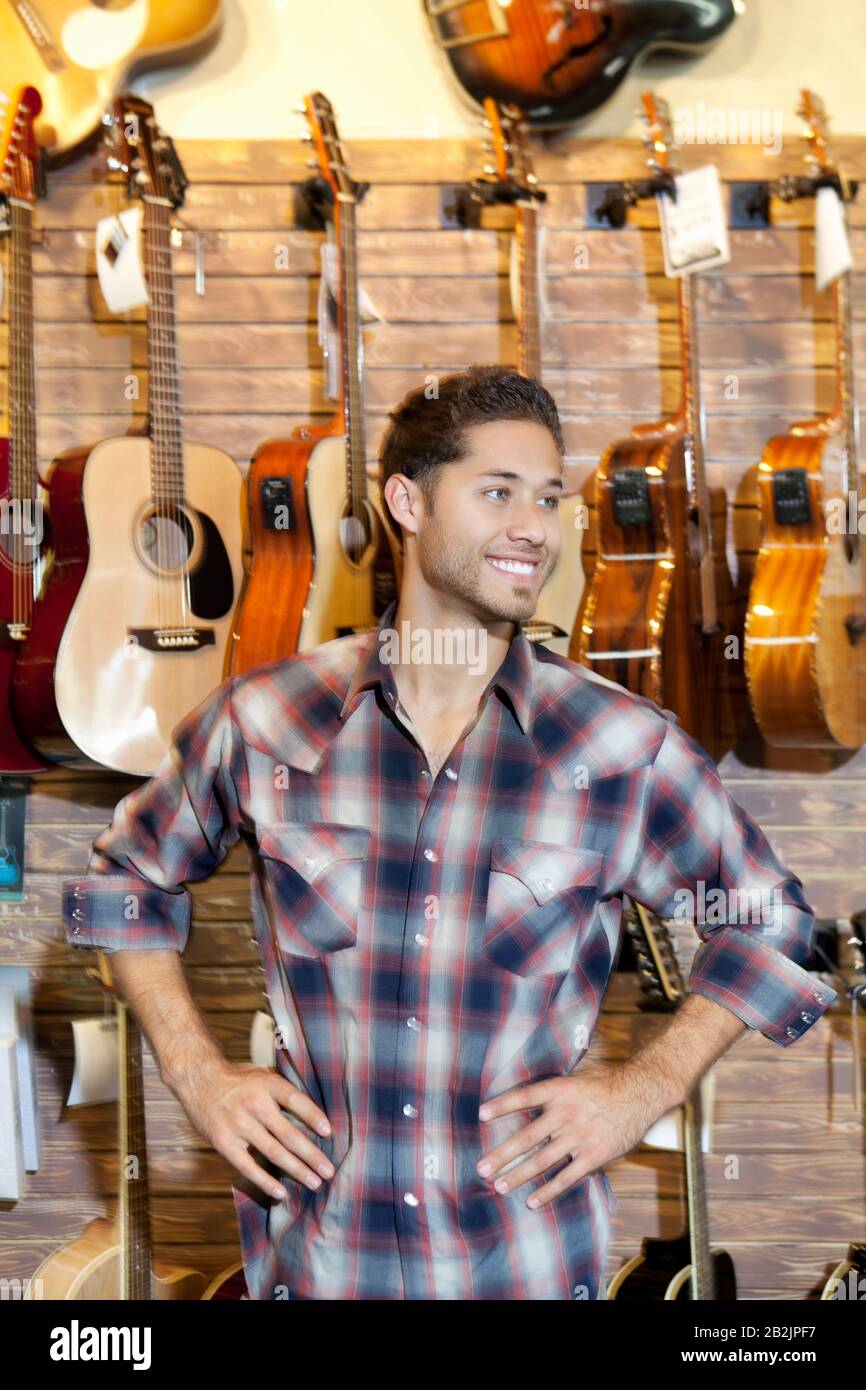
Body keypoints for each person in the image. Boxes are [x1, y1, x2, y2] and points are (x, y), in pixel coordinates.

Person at [62, 365, 836, 1300]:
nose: (534, 528)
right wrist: (199, 1077)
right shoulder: (265, 720)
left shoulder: (619, 745)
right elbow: (120, 888)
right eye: (498, 492)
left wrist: (645, 1088)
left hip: (521, 1267)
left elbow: (774, 924)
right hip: (320, 1266)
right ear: (406, 502)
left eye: (549, 498)